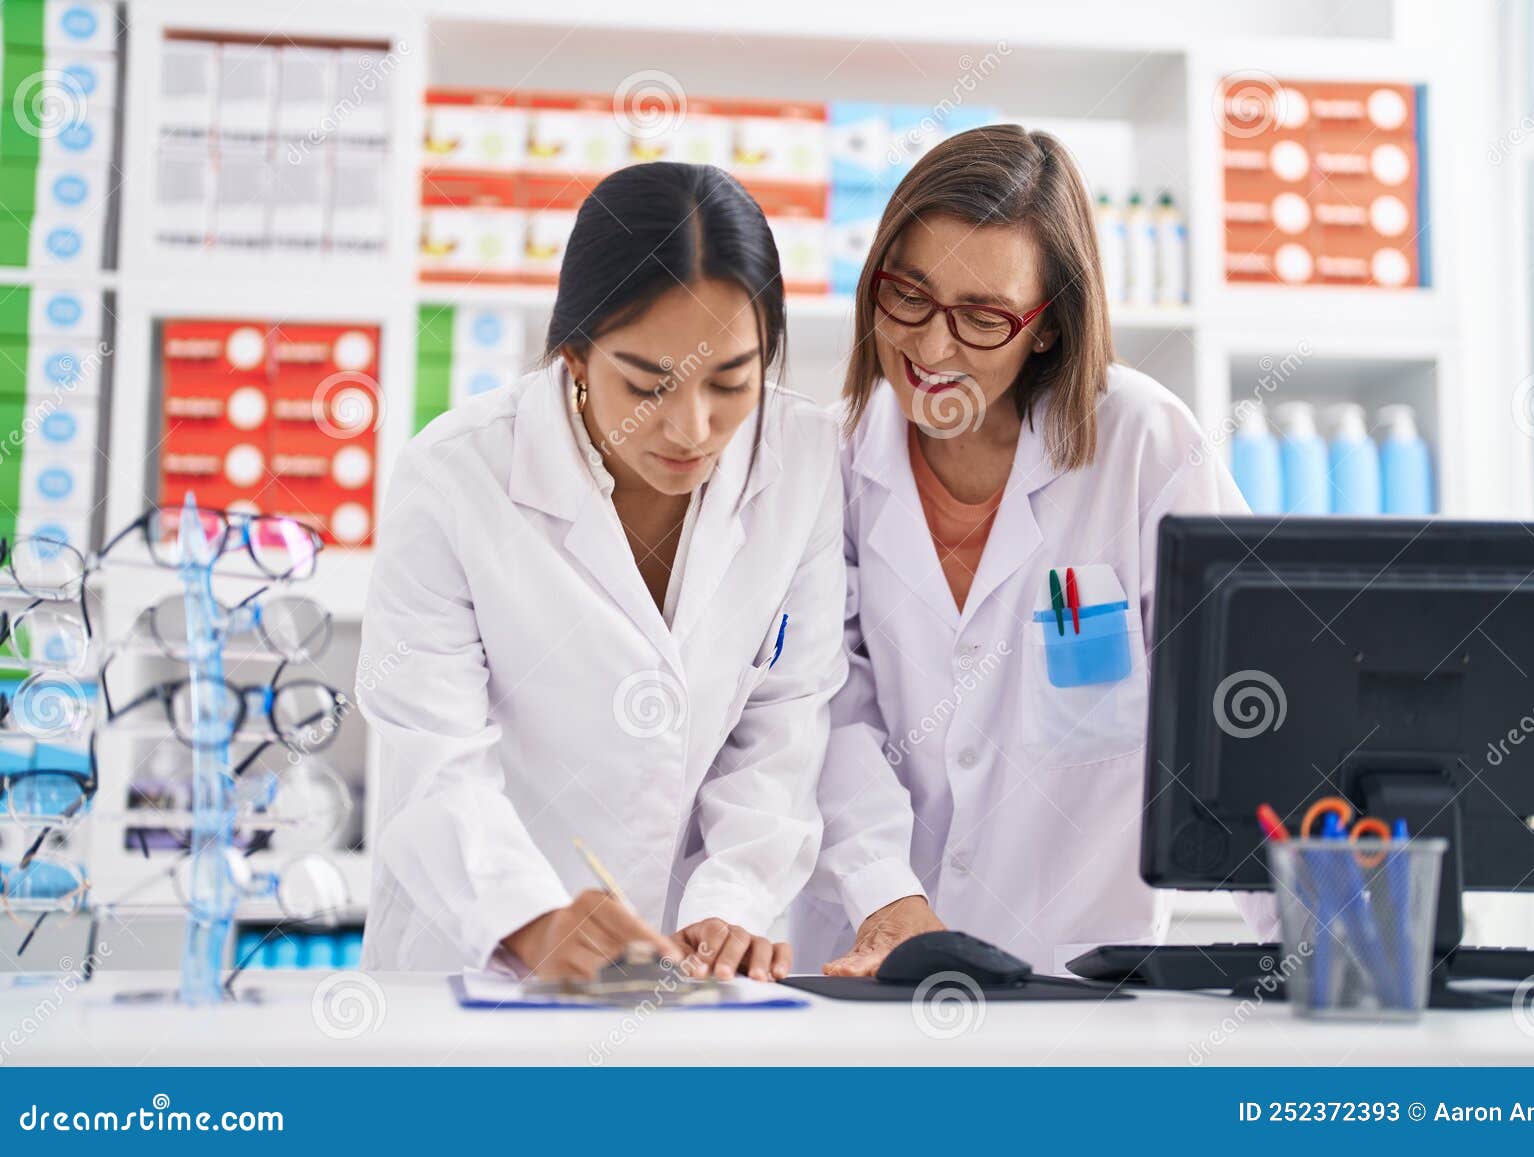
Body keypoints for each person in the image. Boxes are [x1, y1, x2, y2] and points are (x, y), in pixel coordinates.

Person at [793, 125, 1272, 976]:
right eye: (908, 295)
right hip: (856, 969)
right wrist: (885, 893)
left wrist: (1323, 938)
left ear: (1048, 328)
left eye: (982, 318)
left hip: (1070, 978)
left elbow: (1240, 708)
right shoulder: (822, 464)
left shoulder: (1141, 443)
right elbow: (825, 710)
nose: (933, 350)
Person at [359, 162, 846, 982]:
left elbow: (785, 721)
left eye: (732, 380)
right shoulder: (455, 474)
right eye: (648, 384)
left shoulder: (800, 461)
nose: (693, 427)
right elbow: (429, 750)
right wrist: (530, 918)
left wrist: (729, 900)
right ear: (576, 353)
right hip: (474, 966)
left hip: (686, 974)